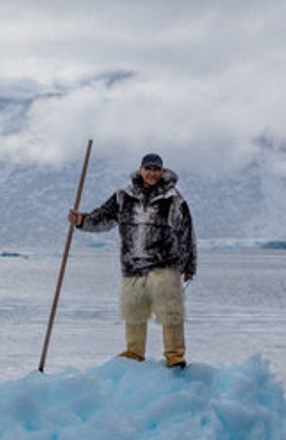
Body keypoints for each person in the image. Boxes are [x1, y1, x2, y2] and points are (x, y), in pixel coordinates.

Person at [69, 153, 197, 368]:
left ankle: (175, 355)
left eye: (157, 169)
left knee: (170, 311)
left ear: (162, 172)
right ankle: (134, 352)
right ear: (140, 170)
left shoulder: (174, 199)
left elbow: (186, 233)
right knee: (133, 311)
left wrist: (189, 264)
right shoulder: (123, 196)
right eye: (148, 169)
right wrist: (82, 220)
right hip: (132, 266)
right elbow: (103, 217)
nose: (152, 173)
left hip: (164, 265)